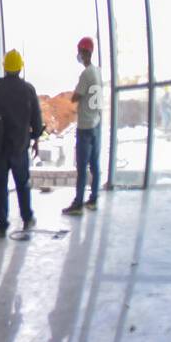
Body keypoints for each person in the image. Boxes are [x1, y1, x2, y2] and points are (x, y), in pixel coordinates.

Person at [0, 49, 43, 237]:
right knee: (22, 183)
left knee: (1, 184)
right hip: (20, 147)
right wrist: (36, 138)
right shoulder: (28, 90)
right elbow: (36, 118)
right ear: (20, 68)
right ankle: (27, 218)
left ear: (5, 68)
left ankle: (2, 223)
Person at [64, 37, 102, 215]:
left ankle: (78, 204)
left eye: (80, 51)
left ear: (85, 52)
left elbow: (75, 97)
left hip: (85, 126)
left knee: (82, 167)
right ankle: (93, 199)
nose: (78, 55)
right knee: (94, 164)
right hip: (96, 123)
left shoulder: (86, 74)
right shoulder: (97, 72)